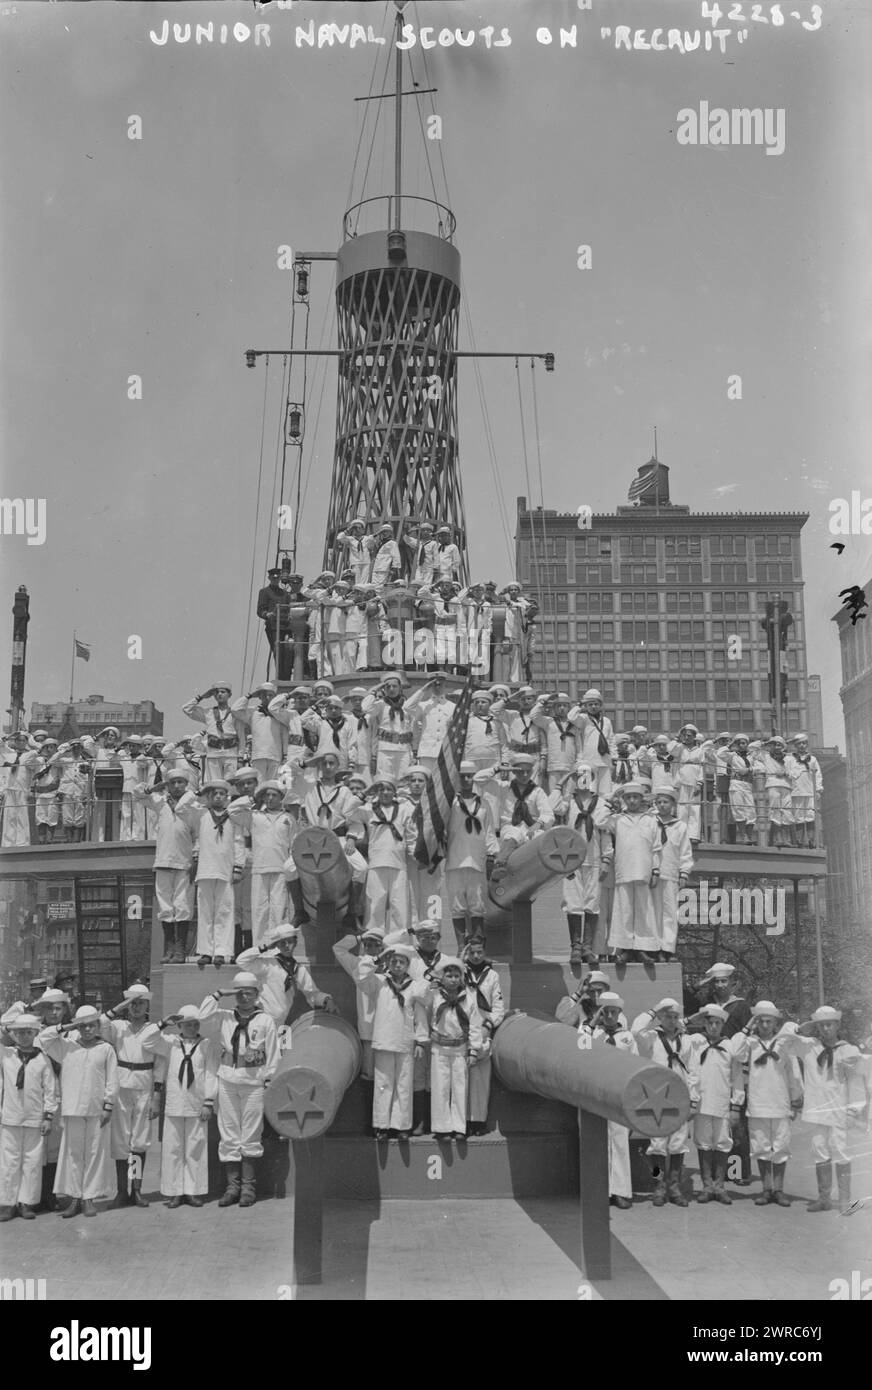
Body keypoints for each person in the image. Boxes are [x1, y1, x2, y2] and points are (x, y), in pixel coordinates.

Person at [198, 972, 281, 1207]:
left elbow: (273, 1054)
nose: (245, 998)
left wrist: (269, 1081)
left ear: (257, 995)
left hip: (254, 1083)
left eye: (249, 993)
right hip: (228, 1081)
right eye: (240, 993)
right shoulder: (225, 1017)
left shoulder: (265, 1020)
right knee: (229, 1133)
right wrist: (219, 994)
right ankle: (231, 1188)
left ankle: (248, 1189)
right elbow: (203, 1016)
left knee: (251, 1133)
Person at [778, 1005, 863, 1214]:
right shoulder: (809, 1047)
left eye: (829, 1025)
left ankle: (845, 1200)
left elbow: (856, 1083)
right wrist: (801, 1029)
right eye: (821, 1025)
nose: (825, 1029)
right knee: (819, 1150)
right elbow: (782, 1041)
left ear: (837, 1026)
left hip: (839, 1110)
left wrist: (854, 1110)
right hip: (816, 1110)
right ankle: (824, 1197)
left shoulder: (848, 1050)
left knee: (841, 1151)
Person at [37, 1005, 119, 1219]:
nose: (88, 1030)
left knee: (94, 1153)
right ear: (77, 1027)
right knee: (72, 1154)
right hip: (72, 1108)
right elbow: (44, 1038)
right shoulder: (66, 1046)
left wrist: (108, 1106)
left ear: (98, 1026)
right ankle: (74, 1198)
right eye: (83, 1026)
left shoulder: (106, 1049)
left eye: (92, 1025)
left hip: (96, 1109)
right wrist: (67, 1026)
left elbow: (112, 1080)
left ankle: (88, 1198)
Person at [141, 1004, 219, 1208]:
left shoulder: (206, 1044)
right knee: (172, 1149)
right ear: (180, 1026)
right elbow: (147, 1040)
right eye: (187, 1024)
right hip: (175, 1103)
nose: (192, 1028)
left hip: (197, 1104)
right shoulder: (170, 1043)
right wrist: (163, 1023)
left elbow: (211, 1072)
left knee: (195, 1149)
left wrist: (208, 1102)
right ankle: (174, 1192)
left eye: (195, 1024)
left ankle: (193, 1191)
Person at [727, 1000, 801, 1208]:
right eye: (761, 1021)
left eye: (769, 1021)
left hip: (780, 1104)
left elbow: (793, 1073)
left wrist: (795, 1100)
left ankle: (779, 1190)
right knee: (760, 1148)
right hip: (758, 1105)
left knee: (780, 1148)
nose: (765, 1025)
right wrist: (747, 1026)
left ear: (776, 1023)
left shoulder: (784, 1044)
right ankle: (766, 1190)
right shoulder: (750, 1043)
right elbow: (734, 1052)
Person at [351, 942, 430, 1138]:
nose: (397, 965)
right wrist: (378, 959)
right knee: (383, 1084)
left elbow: (420, 1015)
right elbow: (361, 978)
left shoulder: (414, 987)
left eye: (401, 962)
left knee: (404, 1085)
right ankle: (382, 1126)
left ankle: (401, 1126)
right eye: (393, 961)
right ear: (388, 963)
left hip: (405, 1042)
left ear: (407, 965)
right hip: (384, 1040)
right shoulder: (378, 982)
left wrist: (420, 1041)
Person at [101, 984, 164, 1210]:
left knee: (138, 1141)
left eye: (140, 1003)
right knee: (120, 1140)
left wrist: (156, 1096)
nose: (136, 1007)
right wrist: (120, 1007)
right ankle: (121, 1191)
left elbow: (160, 1064)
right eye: (133, 1003)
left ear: (148, 1005)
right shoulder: (119, 1026)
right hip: (121, 1086)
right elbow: (100, 1024)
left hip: (144, 1086)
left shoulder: (154, 1029)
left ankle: (136, 1189)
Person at [632, 998, 698, 1207]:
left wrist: (694, 1099)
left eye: (675, 1016)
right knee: (658, 1145)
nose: (671, 1020)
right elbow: (635, 1031)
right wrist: (653, 1010)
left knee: (678, 1144)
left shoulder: (685, 1041)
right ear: (660, 1017)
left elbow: (693, 1072)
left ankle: (674, 1186)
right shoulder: (652, 1038)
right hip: (656, 1098)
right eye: (667, 1016)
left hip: (679, 1098)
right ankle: (658, 1186)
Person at [576, 992, 637, 1208]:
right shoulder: (591, 1033)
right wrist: (593, 1021)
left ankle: (620, 1191)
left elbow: (634, 1066)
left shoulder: (627, 1037)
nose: (610, 1016)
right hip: (597, 1092)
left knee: (619, 1141)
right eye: (606, 1011)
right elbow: (580, 1048)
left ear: (620, 1013)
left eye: (614, 1011)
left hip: (618, 1093)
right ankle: (599, 1190)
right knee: (597, 1141)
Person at [593, 783, 660, 965]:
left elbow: (656, 848)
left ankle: (642, 950)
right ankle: (624, 950)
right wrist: (610, 802)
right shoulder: (617, 819)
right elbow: (599, 822)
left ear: (641, 800)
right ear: (624, 800)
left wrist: (655, 870)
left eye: (635, 797)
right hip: (623, 871)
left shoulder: (651, 820)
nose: (632, 801)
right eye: (628, 798)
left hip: (644, 871)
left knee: (643, 911)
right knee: (624, 912)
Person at [0, 1013, 58, 1221]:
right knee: (9, 1161)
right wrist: (9, 1027)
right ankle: (7, 1203)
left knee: (32, 1162)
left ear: (35, 1033)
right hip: (10, 1117)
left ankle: (27, 1203)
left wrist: (48, 1117)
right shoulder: (6, 1055)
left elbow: (51, 1089)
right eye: (19, 1032)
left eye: (28, 1032)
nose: (23, 1036)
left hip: (34, 1118)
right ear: (13, 1034)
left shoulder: (42, 1059)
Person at [136, 768, 198, 964]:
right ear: (168, 785)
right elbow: (138, 794)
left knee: (183, 904)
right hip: (162, 860)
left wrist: (195, 859)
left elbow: (198, 835)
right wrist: (155, 787)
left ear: (186, 784)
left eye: (181, 782)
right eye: (173, 783)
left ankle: (180, 949)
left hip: (184, 862)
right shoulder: (160, 802)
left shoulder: (193, 805)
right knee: (165, 905)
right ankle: (169, 947)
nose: (177, 786)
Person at [685, 1004, 745, 1205]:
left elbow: (737, 1078)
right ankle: (706, 1186)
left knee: (722, 1144)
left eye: (717, 1023)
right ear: (704, 1023)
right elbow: (678, 1029)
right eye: (709, 1023)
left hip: (722, 1104)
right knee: (703, 1143)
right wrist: (693, 1018)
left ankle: (720, 1186)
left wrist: (736, 1105)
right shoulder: (695, 1042)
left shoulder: (730, 1047)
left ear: (722, 1025)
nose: (713, 1027)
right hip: (701, 1103)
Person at [422, 956, 484, 1140]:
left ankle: (459, 1127)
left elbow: (474, 1024)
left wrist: (473, 1050)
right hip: (440, 1048)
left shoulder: (468, 998)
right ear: (442, 977)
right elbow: (424, 1012)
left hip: (459, 1048)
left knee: (459, 1087)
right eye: (449, 975)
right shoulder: (434, 996)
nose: (453, 979)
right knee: (440, 1087)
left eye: (457, 976)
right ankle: (442, 1128)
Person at [553, 764, 607, 966]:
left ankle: (587, 948)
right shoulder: (569, 802)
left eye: (587, 775)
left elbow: (605, 832)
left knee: (592, 903)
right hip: (572, 859)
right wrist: (564, 780)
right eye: (580, 775)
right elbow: (553, 806)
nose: (583, 779)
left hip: (593, 858)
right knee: (573, 903)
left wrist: (607, 860)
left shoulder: (601, 803)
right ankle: (575, 947)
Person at [235, 923, 337, 1028]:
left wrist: (327, 999)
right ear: (277, 945)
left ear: (296, 942)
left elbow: (312, 993)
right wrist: (264, 948)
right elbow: (241, 961)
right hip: (263, 1020)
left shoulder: (298, 970)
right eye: (282, 943)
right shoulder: (268, 964)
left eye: (290, 942)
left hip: (281, 1022)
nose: (287, 946)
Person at [192, 780, 247, 968]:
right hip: (205, 870)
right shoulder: (202, 814)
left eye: (221, 794)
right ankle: (206, 951)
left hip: (225, 870)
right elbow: (186, 805)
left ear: (227, 797)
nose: (217, 797)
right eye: (213, 794)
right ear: (208, 796)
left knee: (225, 912)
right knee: (206, 913)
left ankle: (222, 952)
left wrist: (238, 867)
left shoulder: (233, 817)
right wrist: (202, 791)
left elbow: (239, 844)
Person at [445, 761, 499, 951]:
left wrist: (492, 855)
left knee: (477, 904)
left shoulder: (484, 803)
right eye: (462, 776)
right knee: (457, 905)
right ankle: (461, 946)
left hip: (477, 860)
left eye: (470, 776)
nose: (466, 780)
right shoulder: (449, 803)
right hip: (455, 860)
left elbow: (489, 831)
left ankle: (477, 944)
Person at [332, 926, 386, 1090]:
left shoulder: (394, 965)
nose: (370, 948)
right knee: (369, 1072)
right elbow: (338, 949)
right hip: (368, 1027)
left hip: (389, 1028)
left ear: (382, 947)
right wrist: (358, 938)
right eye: (367, 944)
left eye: (375, 945)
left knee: (387, 1073)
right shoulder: (357, 963)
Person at [359, 778, 415, 935]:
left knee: (400, 908)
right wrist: (366, 791)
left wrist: (415, 855)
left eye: (389, 789)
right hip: (376, 863)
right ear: (376, 792)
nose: (385, 793)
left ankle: (400, 945)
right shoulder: (369, 809)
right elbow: (348, 811)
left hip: (398, 864)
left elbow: (411, 836)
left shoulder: (404, 809)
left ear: (394, 792)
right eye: (381, 789)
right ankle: (371, 946)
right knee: (374, 907)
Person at [462, 937, 505, 1135]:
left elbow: (498, 1006)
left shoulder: (492, 975)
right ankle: (461, 1121)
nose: (476, 956)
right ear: (466, 953)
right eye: (472, 952)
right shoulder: (459, 972)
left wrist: (489, 1025)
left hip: (483, 1028)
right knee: (460, 1078)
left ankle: (477, 1122)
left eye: (480, 952)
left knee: (480, 1079)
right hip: (461, 1028)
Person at [651, 788, 693, 961]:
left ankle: (667, 949)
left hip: (670, 873)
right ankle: (652, 948)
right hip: (651, 874)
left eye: (665, 802)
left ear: (673, 805)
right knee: (652, 911)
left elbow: (685, 851)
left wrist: (684, 873)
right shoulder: (650, 822)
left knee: (669, 912)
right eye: (659, 802)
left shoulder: (680, 826)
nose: (662, 805)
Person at [496, 752, 554, 865]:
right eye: (521, 771)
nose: (525, 775)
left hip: (531, 827)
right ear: (513, 771)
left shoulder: (537, 791)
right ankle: (499, 865)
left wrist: (538, 824)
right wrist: (498, 769)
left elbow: (548, 814)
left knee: (542, 839)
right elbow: (480, 779)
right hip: (511, 826)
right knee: (513, 836)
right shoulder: (504, 788)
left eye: (528, 771)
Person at [181, 685, 243, 783]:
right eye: (217, 692)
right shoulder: (208, 712)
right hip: (213, 751)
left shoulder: (234, 713)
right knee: (215, 782)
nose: (219, 694)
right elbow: (186, 709)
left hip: (230, 751)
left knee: (231, 782)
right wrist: (201, 697)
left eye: (223, 692)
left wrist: (240, 757)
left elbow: (241, 736)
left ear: (229, 695)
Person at [362, 673, 415, 782]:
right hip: (385, 749)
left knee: (403, 780)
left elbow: (412, 728)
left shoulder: (407, 705)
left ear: (400, 688)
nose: (391, 689)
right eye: (388, 687)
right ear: (384, 689)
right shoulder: (380, 705)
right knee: (384, 780)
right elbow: (365, 708)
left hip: (403, 749)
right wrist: (374, 691)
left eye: (394, 686)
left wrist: (413, 751)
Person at [230, 683, 285, 783]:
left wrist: (285, 755)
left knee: (273, 785)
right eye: (264, 695)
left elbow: (285, 736)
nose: (267, 698)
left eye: (270, 695)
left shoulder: (280, 713)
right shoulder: (253, 712)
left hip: (275, 755)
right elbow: (235, 709)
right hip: (258, 755)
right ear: (259, 697)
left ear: (275, 697)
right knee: (259, 785)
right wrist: (249, 696)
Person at [567, 689, 616, 796]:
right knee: (585, 791)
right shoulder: (583, 719)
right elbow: (570, 717)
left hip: (604, 761)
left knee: (605, 793)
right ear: (586, 706)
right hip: (586, 761)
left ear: (600, 705)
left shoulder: (607, 721)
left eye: (596, 704)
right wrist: (580, 704)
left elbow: (611, 740)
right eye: (590, 704)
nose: (593, 706)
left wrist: (614, 757)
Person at [531, 691, 579, 794]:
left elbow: (579, 746)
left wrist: (578, 762)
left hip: (570, 765)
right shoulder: (548, 722)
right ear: (554, 708)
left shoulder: (575, 724)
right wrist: (545, 701)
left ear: (568, 708)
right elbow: (534, 716)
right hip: (554, 766)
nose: (562, 708)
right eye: (558, 706)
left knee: (569, 796)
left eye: (564, 706)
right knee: (554, 795)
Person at [0, 731, 41, 846]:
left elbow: (40, 748)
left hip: (22, 789)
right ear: (15, 741)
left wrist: (30, 737)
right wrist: (9, 736)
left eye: (23, 740)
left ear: (26, 742)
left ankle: (22, 842)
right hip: (10, 789)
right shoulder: (9, 754)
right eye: (18, 740)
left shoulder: (29, 755)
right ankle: (8, 842)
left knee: (22, 817)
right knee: (10, 816)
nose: (21, 742)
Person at [752, 735, 794, 849]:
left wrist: (785, 773)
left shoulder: (789, 758)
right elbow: (752, 749)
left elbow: (795, 773)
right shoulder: (766, 756)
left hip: (786, 785)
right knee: (774, 810)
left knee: (787, 811)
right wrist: (765, 743)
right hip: (773, 784)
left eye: (779, 745)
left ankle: (786, 839)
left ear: (783, 747)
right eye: (774, 744)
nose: (777, 747)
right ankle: (777, 838)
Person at [786, 734, 823, 849]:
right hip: (797, 792)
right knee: (798, 817)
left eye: (804, 743)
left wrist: (818, 789)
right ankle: (800, 841)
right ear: (796, 745)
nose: (802, 746)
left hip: (810, 791)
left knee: (810, 816)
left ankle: (812, 841)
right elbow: (788, 773)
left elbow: (818, 775)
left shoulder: (812, 759)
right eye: (799, 743)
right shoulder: (790, 759)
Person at [726, 734, 756, 845]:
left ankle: (749, 836)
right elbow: (720, 754)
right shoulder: (733, 755)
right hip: (736, 784)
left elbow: (761, 767)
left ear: (747, 744)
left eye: (743, 743)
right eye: (738, 743)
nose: (741, 745)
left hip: (748, 785)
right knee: (738, 810)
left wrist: (749, 769)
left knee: (751, 811)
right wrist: (730, 745)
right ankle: (743, 836)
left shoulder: (751, 756)